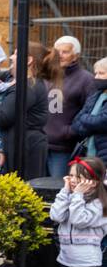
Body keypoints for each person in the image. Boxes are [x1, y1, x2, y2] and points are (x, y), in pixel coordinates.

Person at [0, 43, 50, 179]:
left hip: (25, 151)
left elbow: (2, 117)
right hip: (15, 147)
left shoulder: (28, 87)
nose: (11, 57)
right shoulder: (13, 80)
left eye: (16, 54)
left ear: (28, 60)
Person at [46, 35, 96, 177]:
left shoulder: (86, 80)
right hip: (40, 145)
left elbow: (90, 111)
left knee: (59, 189)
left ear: (76, 56)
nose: (60, 56)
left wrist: (70, 132)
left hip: (64, 148)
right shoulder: (46, 76)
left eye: (65, 52)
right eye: (57, 52)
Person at [70, 56, 107, 157]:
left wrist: (85, 119)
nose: (96, 77)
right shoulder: (96, 94)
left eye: (101, 73)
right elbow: (76, 122)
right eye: (96, 73)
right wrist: (91, 126)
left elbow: (102, 121)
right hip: (88, 153)